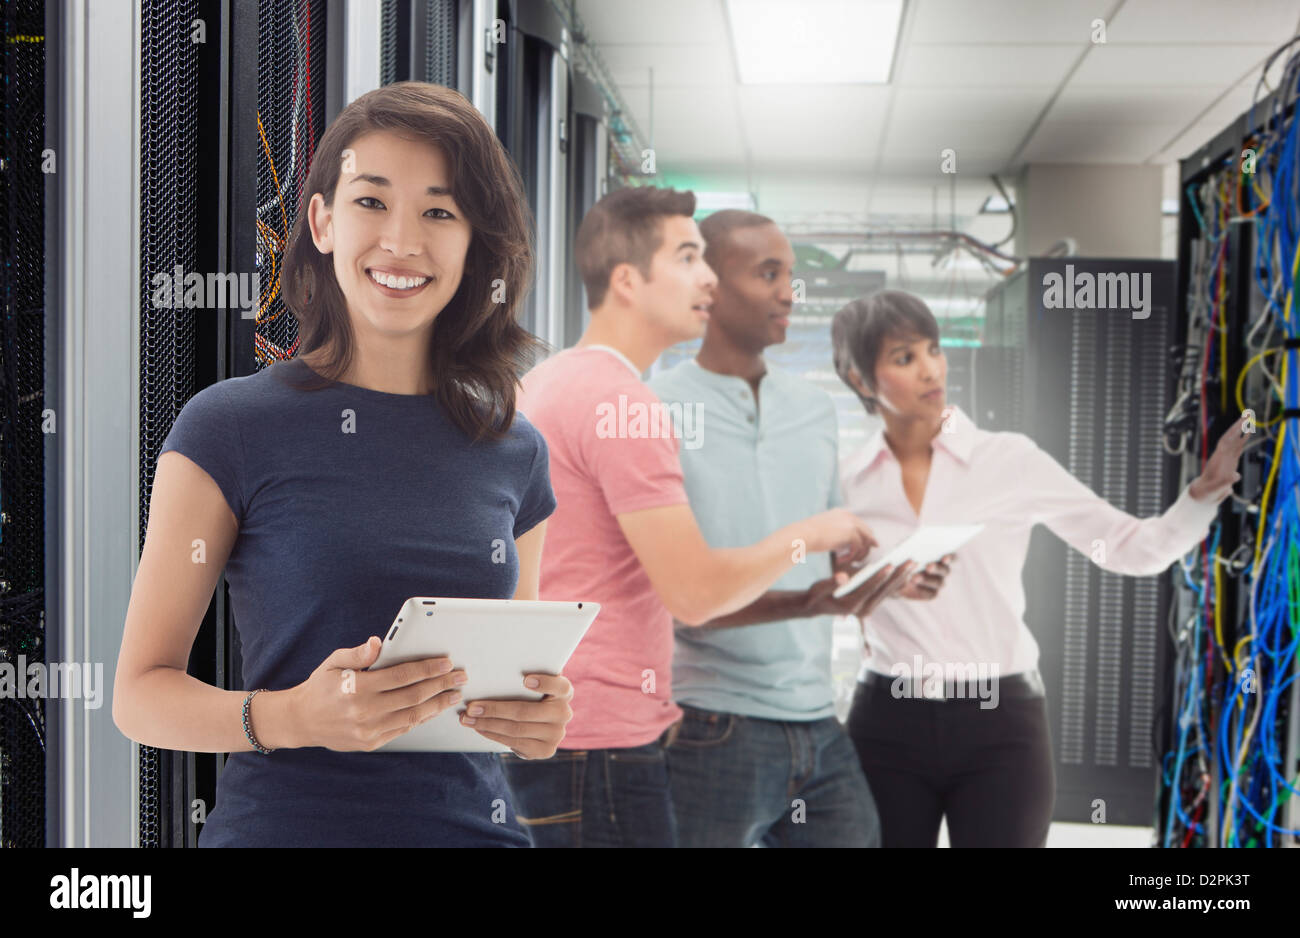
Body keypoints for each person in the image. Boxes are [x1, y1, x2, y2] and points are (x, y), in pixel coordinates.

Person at [112, 82, 573, 847]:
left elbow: (505, 683)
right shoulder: (228, 426)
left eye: (439, 211)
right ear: (322, 221)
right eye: (371, 202)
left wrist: (535, 719)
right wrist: (292, 716)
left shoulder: (514, 449)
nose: (402, 241)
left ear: (473, 244)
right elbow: (137, 697)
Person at [501, 186, 885, 848]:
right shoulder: (626, 403)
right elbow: (696, 594)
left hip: (562, 735)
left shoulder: (550, 380)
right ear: (627, 280)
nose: (705, 277)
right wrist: (812, 534)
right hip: (600, 745)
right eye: (686, 258)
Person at [831, 289, 1250, 847]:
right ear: (860, 380)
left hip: (999, 723)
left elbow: (1128, 547)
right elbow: (810, 592)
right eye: (905, 357)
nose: (931, 369)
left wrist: (1204, 493)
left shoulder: (1009, 461)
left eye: (933, 349)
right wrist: (873, 586)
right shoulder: (845, 482)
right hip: (886, 721)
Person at [648, 210, 950, 848]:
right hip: (711, 717)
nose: (790, 291)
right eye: (767, 274)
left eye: (789, 273)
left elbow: (827, 546)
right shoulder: (656, 410)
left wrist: (887, 576)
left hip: (817, 718)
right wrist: (811, 597)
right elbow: (673, 599)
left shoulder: (812, 408)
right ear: (709, 284)